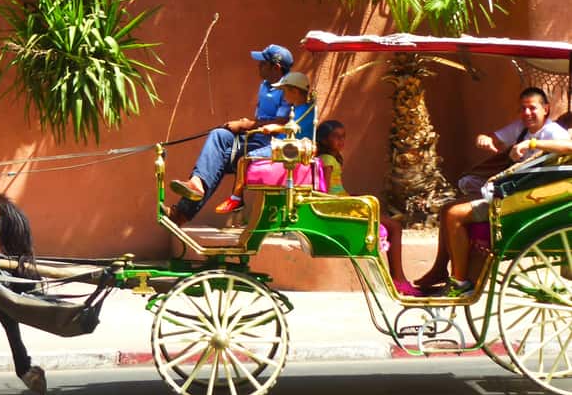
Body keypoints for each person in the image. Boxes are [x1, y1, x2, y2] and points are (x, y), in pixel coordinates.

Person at [416, 87, 571, 296]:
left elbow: (569, 147)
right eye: (523, 108)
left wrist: (532, 143)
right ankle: (439, 269)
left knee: (454, 214)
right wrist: (486, 140)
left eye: (532, 108)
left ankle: (460, 281)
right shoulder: (522, 128)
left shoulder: (552, 131)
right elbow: (495, 138)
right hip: (513, 193)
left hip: (524, 200)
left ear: (546, 109)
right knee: (446, 209)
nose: (527, 113)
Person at [167, 43, 294, 225]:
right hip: (256, 137)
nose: (258, 66)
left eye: (263, 63)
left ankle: (181, 214)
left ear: (276, 68)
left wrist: (245, 125)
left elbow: (282, 121)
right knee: (219, 134)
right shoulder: (265, 85)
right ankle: (196, 183)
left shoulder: (288, 87)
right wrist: (247, 125)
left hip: (273, 144)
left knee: (218, 160)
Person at [311, 118, 421, 297]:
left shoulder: (330, 158)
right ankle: (399, 279)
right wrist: (348, 201)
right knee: (395, 227)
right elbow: (326, 190)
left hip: (343, 202)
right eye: (336, 137)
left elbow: (336, 188)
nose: (341, 141)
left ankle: (397, 278)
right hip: (340, 207)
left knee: (386, 219)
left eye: (343, 137)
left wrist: (351, 196)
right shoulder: (327, 159)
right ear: (324, 140)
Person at [214, 71, 316, 214]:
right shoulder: (298, 109)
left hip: (288, 150)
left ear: (294, 91)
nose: (283, 96)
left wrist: (276, 127)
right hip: (280, 145)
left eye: (285, 91)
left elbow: (296, 127)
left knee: (244, 159)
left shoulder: (306, 110)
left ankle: (236, 197)